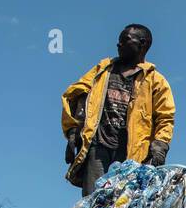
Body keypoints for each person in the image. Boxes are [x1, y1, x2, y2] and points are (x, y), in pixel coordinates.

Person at [61, 24, 175, 194]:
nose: (119, 44)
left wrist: (159, 148)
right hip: (98, 146)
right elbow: (76, 94)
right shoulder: (103, 71)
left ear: (142, 44)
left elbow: (165, 117)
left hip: (132, 153)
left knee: (123, 203)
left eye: (125, 40)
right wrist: (73, 131)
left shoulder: (155, 80)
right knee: (92, 200)